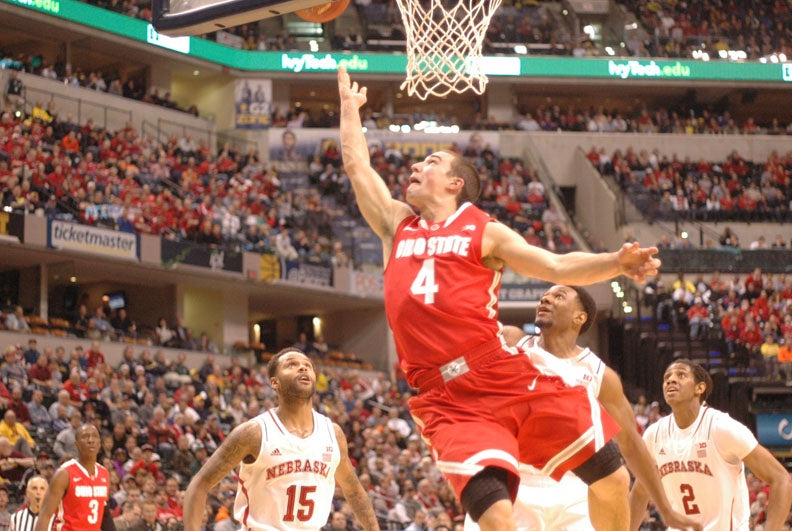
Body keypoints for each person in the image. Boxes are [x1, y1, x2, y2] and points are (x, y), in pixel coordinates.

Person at [338, 67, 660, 530]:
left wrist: (616, 263)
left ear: (455, 183)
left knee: (612, 477)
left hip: (499, 372)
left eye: (430, 162)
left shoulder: (483, 230)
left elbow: (555, 266)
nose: (415, 168)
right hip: (446, 399)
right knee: (497, 521)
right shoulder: (396, 224)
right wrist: (350, 111)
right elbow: (357, 167)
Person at [465, 285, 699, 530]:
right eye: (544, 296)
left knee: (615, 481)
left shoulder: (600, 375)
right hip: (511, 479)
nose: (545, 299)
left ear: (580, 317)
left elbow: (631, 443)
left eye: (558, 296)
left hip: (573, 489)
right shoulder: (512, 341)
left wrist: (665, 508)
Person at [183, 348, 380, 531]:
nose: (302, 367)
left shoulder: (333, 433)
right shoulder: (254, 433)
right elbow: (199, 484)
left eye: (308, 365)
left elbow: (354, 491)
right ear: (274, 382)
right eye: (291, 364)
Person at [629, 360, 792, 530]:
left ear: (700, 388)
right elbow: (640, 491)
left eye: (681, 375)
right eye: (666, 377)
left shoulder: (722, 428)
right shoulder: (654, 435)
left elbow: (781, 479)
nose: (671, 380)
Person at [35, 424, 112, 531]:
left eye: (94, 436)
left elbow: (104, 515)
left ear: (99, 443)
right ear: (76, 444)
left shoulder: (104, 474)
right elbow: (45, 515)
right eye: (85, 436)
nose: (91, 440)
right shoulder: (64, 474)